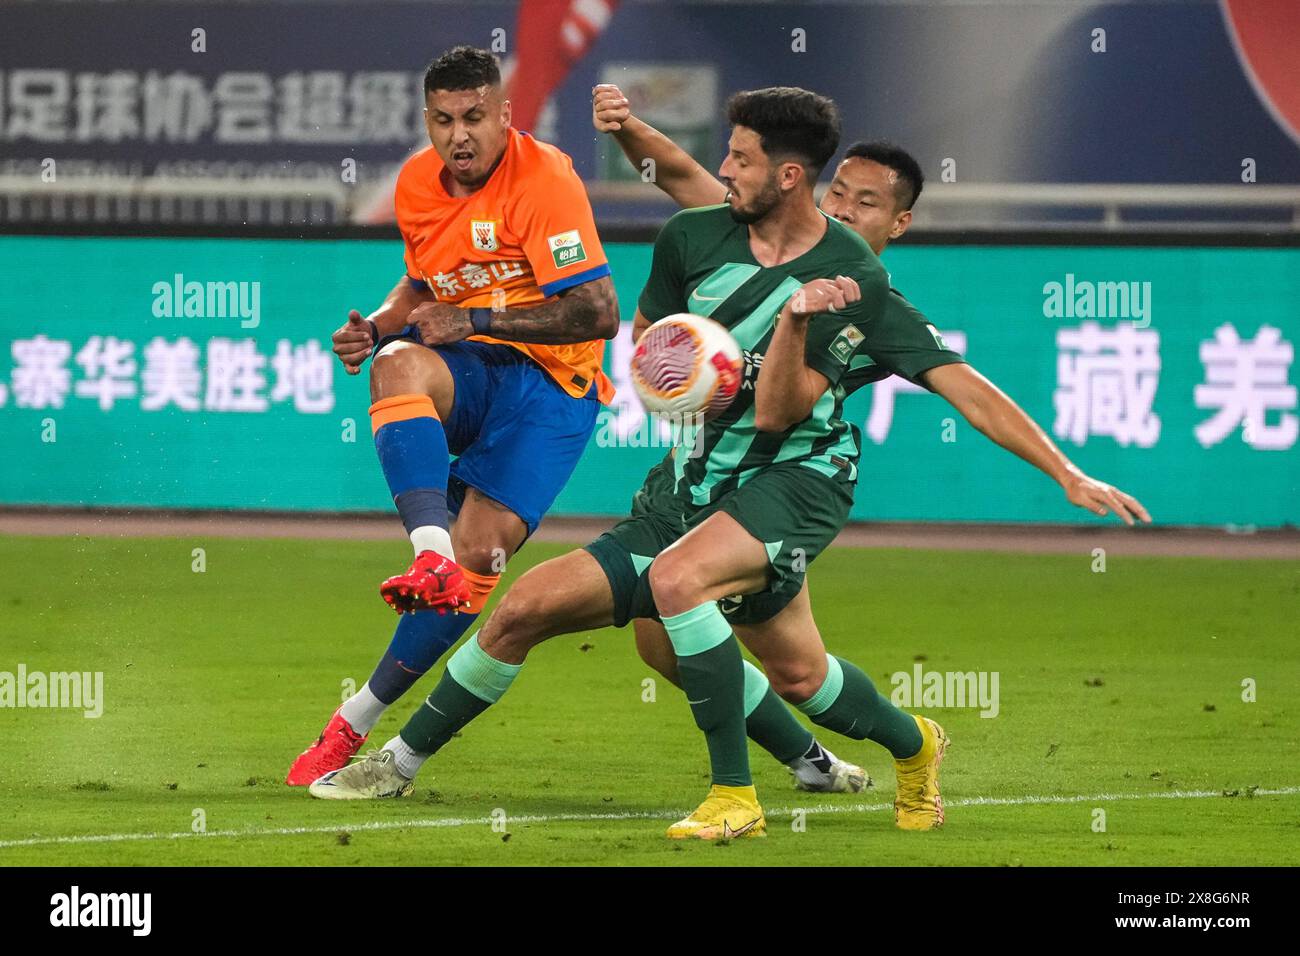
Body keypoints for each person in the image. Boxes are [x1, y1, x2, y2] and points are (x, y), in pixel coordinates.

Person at [286, 46, 621, 785]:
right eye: (443, 120)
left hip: (553, 390)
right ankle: (426, 551)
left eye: (474, 117)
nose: (459, 135)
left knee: (482, 563)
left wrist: (475, 318)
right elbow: (421, 283)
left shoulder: (546, 181)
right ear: (427, 121)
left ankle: (355, 723)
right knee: (395, 365)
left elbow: (598, 313)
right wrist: (378, 325)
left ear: (504, 114)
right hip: (477, 367)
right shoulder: (414, 183)